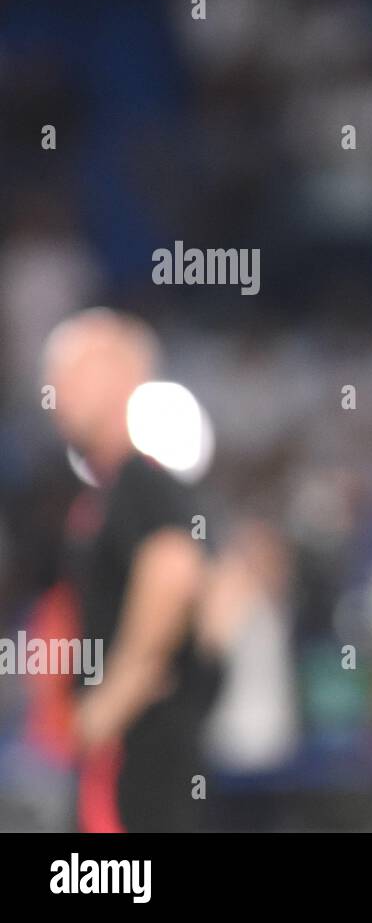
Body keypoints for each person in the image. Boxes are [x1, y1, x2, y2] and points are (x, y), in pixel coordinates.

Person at [43, 307, 222, 831]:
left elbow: (174, 568)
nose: (56, 389)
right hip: (133, 759)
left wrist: (112, 701)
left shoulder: (139, 480)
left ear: (121, 375)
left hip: (132, 764)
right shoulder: (112, 488)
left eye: (71, 372)